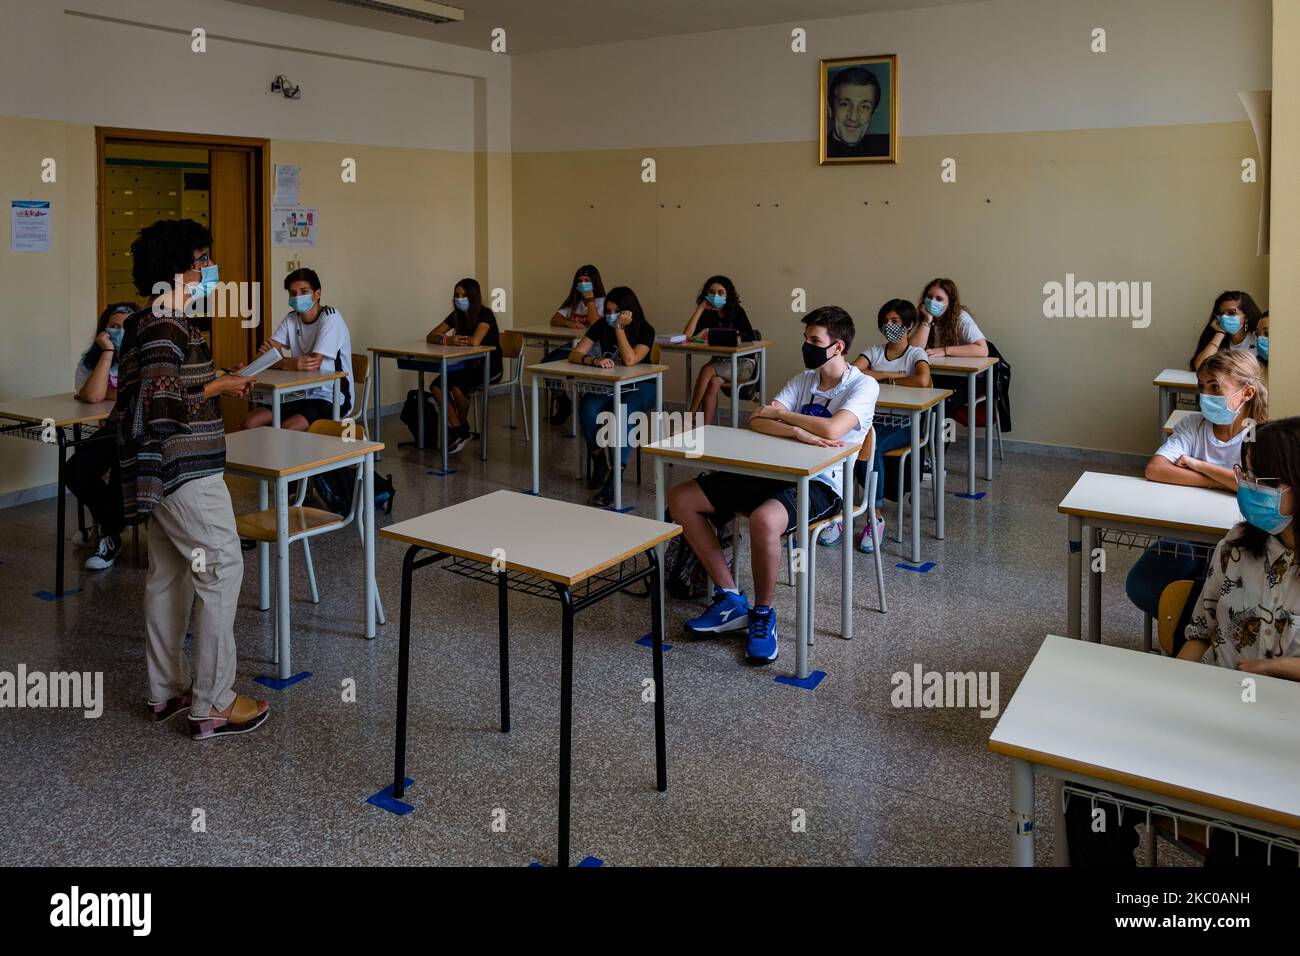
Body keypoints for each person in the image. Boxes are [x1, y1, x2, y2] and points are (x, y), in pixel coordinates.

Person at [1067, 417, 1300, 868]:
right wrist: (1170, 691)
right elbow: (1201, 628)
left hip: (1282, 739)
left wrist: (1276, 671)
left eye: (1262, 480)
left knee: (1250, 837)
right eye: (1244, 474)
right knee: (1090, 795)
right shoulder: (1237, 544)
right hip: (1215, 712)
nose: (1247, 487)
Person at [115, 217, 268, 739]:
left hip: (159, 478)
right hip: (184, 474)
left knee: (169, 577)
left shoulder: (150, 322)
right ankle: (214, 703)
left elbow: (167, 383)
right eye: (201, 262)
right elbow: (158, 404)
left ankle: (166, 692)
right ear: (177, 271)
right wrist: (218, 386)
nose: (209, 271)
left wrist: (220, 376)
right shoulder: (166, 325)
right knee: (222, 569)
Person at [667, 306, 877, 663]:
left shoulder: (862, 385)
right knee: (682, 497)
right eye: (806, 338)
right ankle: (730, 598)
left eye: (814, 340)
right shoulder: (804, 379)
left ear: (838, 347)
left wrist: (782, 415)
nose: (806, 345)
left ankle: (763, 614)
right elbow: (756, 420)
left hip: (824, 483)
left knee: (764, 520)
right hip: (775, 471)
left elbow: (831, 430)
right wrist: (795, 430)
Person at [1125, 350, 1267, 619]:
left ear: (1246, 393)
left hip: (1239, 538)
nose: (1206, 395)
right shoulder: (1193, 425)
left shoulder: (1259, 433)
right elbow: (1155, 469)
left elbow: (1253, 487)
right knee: (1141, 585)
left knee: (1214, 590)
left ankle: (1199, 634)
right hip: (1187, 529)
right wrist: (1222, 481)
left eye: (1215, 387)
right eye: (1201, 387)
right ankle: (1186, 631)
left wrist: (1198, 464)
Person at [818, 298, 931, 552]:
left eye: (896, 321)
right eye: (886, 321)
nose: (889, 325)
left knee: (872, 444)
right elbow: (851, 373)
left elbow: (922, 380)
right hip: (870, 419)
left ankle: (875, 516)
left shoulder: (915, 354)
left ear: (910, 325)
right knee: (841, 443)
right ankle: (841, 511)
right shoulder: (874, 351)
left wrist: (877, 378)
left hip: (903, 424)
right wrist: (891, 376)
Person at [567, 285, 656, 506]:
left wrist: (619, 329)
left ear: (628, 312)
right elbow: (575, 353)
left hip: (642, 386)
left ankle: (615, 478)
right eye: (607, 311)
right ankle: (599, 460)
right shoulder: (599, 325)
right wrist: (593, 361)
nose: (609, 315)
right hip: (612, 385)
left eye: (615, 311)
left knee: (623, 411)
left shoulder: (645, 329)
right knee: (587, 406)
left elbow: (629, 360)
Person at [67, 302, 135, 570]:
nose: (119, 332)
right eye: (113, 327)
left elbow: (139, 396)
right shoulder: (91, 361)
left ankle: (108, 536)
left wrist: (110, 393)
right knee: (75, 470)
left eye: (126, 327)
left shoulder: (146, 356)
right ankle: (112, 528)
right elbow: (94, 395)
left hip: (144, 433)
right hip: (112, 428)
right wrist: (108, 352)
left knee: (123, 463)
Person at [243, 268, 354, 430]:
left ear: (317, 294)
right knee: (250, 422)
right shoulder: (291, 318)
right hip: (300, 392)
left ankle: (289, 455)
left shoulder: (331, 317)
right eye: (293, 293)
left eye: (304, 292)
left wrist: (278, 359)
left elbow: (312, 364)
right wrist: (289, 364)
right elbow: (260, 358)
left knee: (287, 427)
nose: (298, 297)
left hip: (332, 395)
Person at [424, 278, 503, 455]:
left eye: (464, 296)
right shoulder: (456, 316)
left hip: (489, 366)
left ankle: (459, 430)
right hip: (466, 365)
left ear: (473, 297)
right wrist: (448, 339)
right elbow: (431, 335)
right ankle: (460, 429)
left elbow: (475, 341)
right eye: (457, 295)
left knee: (458, 388)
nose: (459, 299)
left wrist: (454, 341)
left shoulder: (485, 314)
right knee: (436, 386)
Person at [683, 275, 758, 425]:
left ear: (728, 294)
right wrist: (701, 308)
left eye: (720, 292)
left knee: (706, 370)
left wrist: (738, 338)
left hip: (743, 364)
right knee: (713, 382)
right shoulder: (708, 313)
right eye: (712, 292)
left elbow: (751, 335)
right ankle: (705, 429)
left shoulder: (737, 311)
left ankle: (689, 417)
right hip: (720, 363)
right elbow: (686, 335)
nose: (716, 295)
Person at [545, 265, 606, 425]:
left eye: (587, 281)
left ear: (595, 282)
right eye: (580, 281)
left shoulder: (602, 302)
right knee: (546, 365)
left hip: (593, 350)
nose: (583, 284)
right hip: (572, 346)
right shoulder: (574, 302)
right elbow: (554, 319)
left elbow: (595, 323)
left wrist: (590, 300)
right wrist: (568, 323)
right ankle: (564, 402)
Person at [824, 66, 890, 159]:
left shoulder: (887, 146)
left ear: (873, 114)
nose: (853, 117)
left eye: (864, 107)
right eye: (845, 104)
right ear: (830, 109)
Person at [1190, 291, 1263, 371]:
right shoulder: (1215, 335)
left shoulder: (1258, 337)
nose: (1224, 317)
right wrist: (1220, 333)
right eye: (1221, 313)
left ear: (1246, 317)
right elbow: (1200, 366)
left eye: (1231, 312)